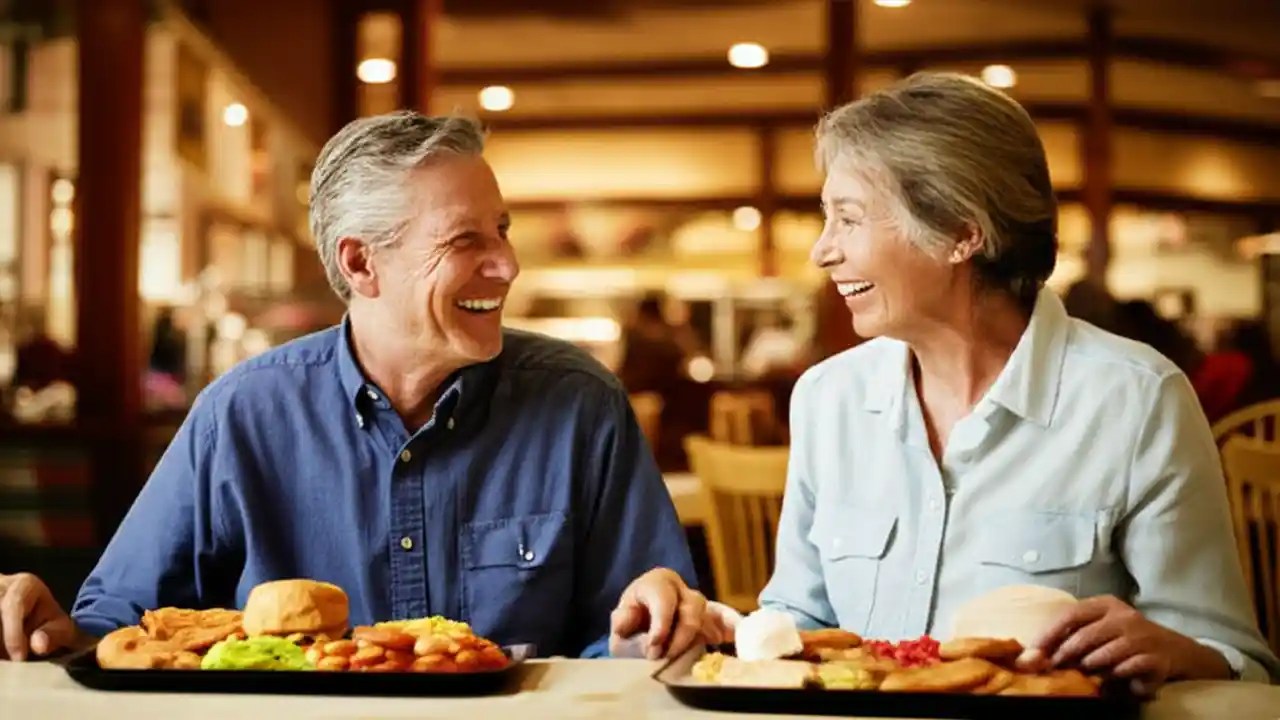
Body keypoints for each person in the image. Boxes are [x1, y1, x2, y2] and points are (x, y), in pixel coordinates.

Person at [0, 111, 710, 662]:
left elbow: (639, 636)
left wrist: (649, 633)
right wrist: (47, 630)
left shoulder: (581, 406)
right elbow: (118, 627)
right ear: (361, 264)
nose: (508, 265)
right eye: (467, 241)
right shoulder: (243, 414)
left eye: (502, 231)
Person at [755, 72, 1279, 691]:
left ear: (961, 233)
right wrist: (711, 627)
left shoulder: (1137, 399)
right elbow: (798, 622)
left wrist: (1174, 651)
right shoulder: (827, 397)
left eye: (849, 218)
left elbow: (1239, 666)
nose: (822, 251)